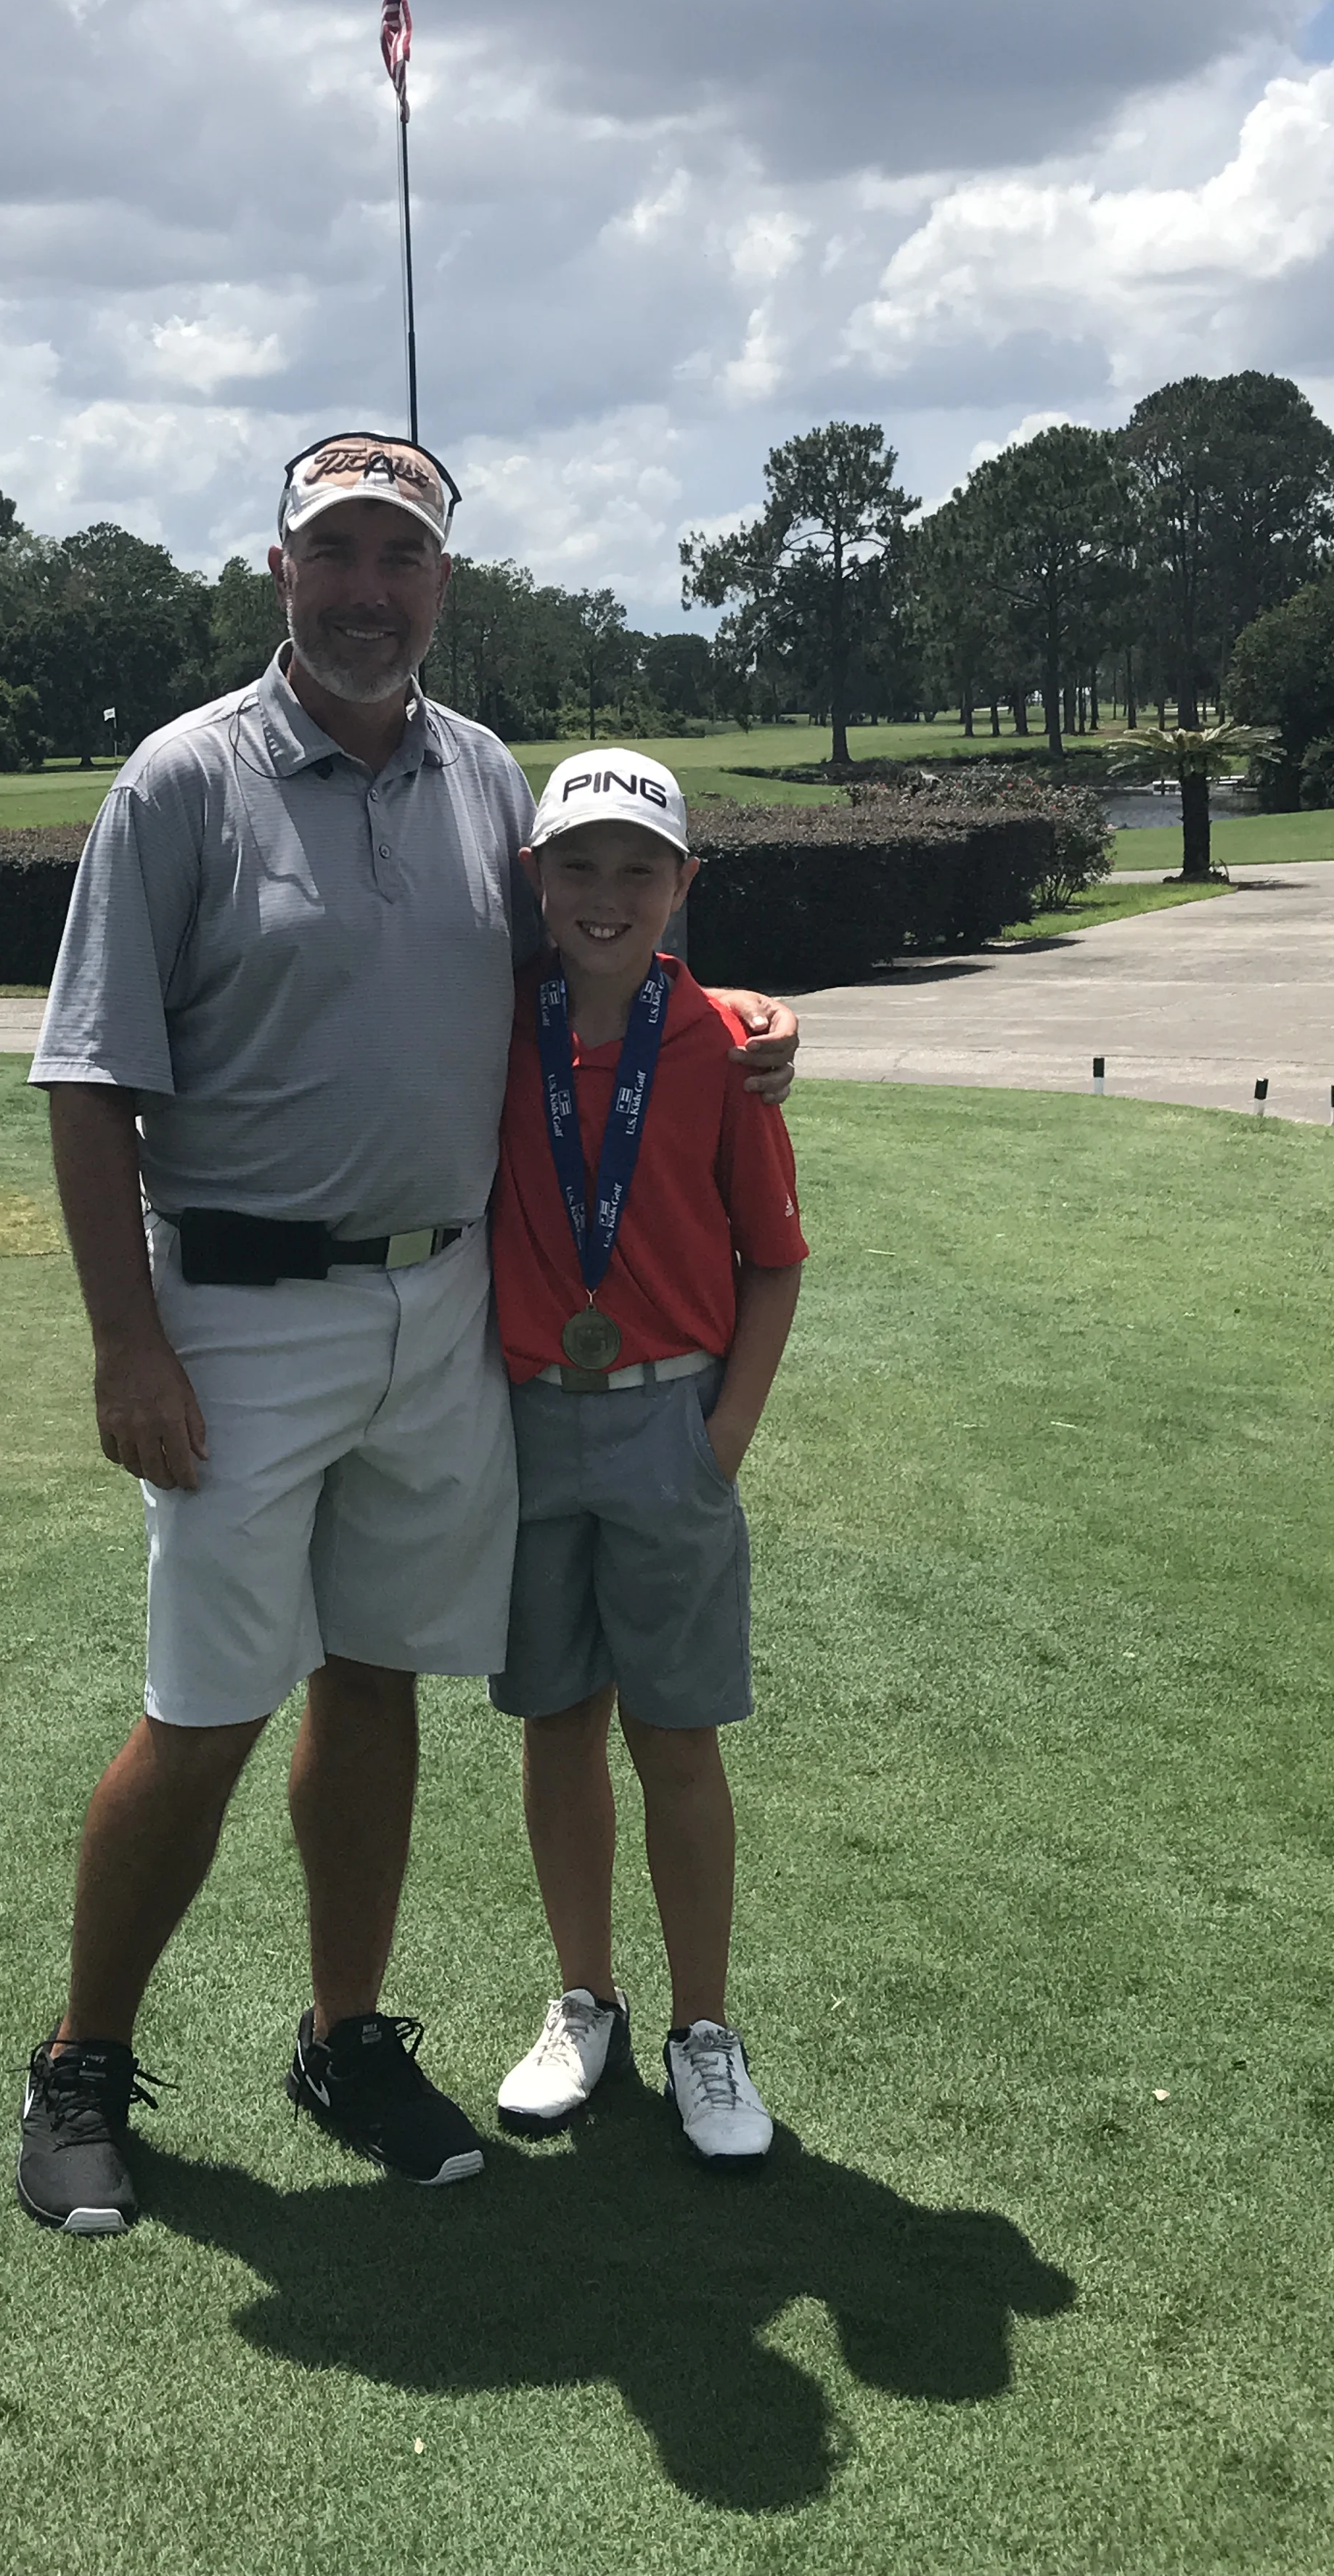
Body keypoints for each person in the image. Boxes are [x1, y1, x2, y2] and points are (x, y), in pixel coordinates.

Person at [16, 433, 799, 2236]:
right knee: (205, 1706)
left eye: (405, 557)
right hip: (234, 1309)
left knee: (375, 1681)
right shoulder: (184, 781)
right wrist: (125, 1342)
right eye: (338, 551)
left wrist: (737, 1006)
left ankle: (344, 2031)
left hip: (443, 1308)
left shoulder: (481, 778)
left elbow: (584, 967)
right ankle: (79, 2061)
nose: (371, 586)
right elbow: (87, 1081)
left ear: (444, 583)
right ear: (280, 569)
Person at [486, 748, 805, 2164]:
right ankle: (585, 1999)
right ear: (531, 879)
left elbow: (775, 1264)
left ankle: (704, 2030)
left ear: (685, 885)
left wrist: (722, 1438)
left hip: (672, 1420)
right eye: (578, 865)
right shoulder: (493, 1026)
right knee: (559, 1724)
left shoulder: (725, 1047)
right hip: (525, 1424)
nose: (605, 895)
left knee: (675, 1735)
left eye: (638, 869)